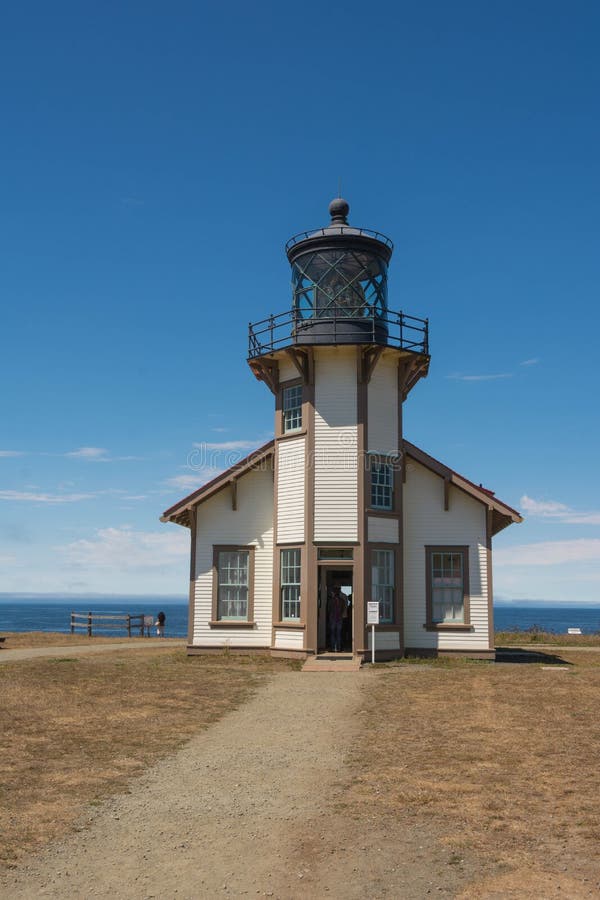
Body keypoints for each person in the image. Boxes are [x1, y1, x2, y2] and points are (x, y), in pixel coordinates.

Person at [328, 586, 345, 653]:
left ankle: (333, 648)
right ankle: (338, 648)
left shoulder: (331, 600)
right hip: (339, 619)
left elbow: (329, 609)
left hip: (333, 618)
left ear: (334, 593)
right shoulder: (342, 601)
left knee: (333, 633)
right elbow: (343, 609)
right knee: (338, 634)